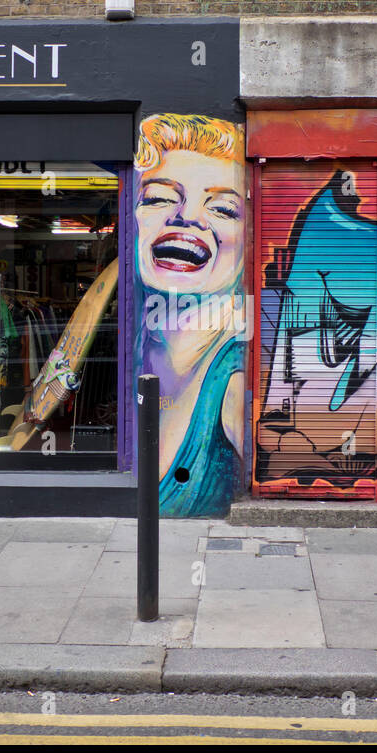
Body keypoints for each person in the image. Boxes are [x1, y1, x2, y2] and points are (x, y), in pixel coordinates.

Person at [134, 113, 247, 518]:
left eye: (222, 209)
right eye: (160, 198)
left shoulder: (234, 384)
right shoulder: (140, 343)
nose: (188, 217)